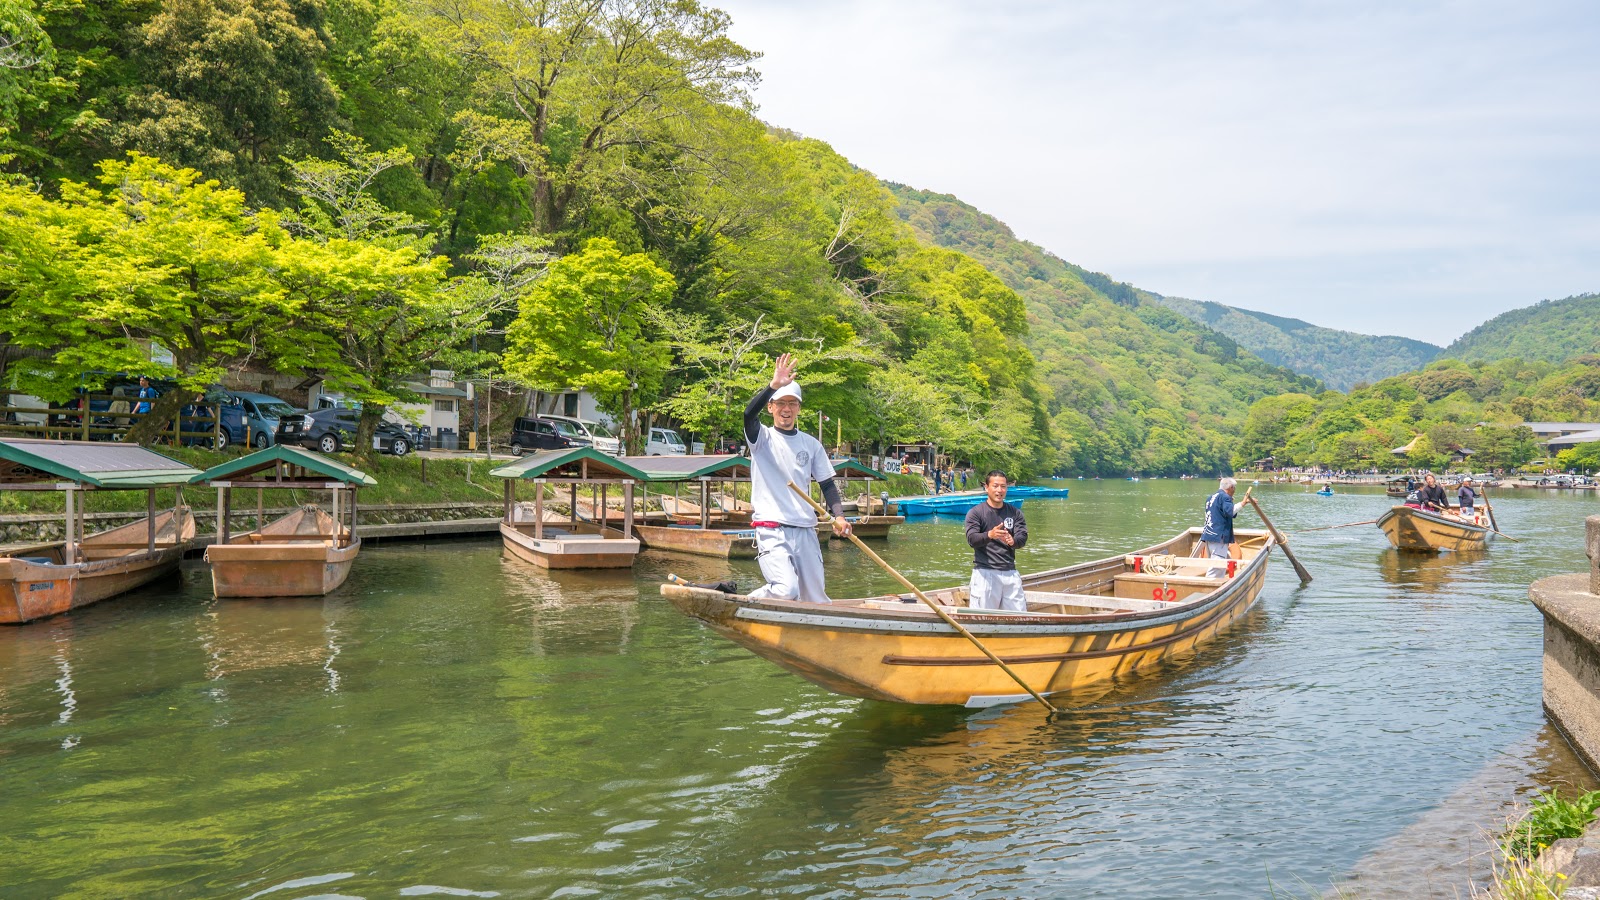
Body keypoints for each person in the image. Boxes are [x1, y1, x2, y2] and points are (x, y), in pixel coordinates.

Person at [742, 352, 850, 604]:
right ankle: (744, 601)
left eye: (792, 403)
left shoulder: (811, 445)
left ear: (799, 408)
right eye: (780, 403)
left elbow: (827, 484)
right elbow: (748, 414)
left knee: (816, 599)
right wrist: (773, 386)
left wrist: (840, 516)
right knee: (786, 590)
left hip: (805, 529)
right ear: (771, 407)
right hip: (772, 528)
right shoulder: (762, 439)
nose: (786, 409)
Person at [964, 471, 1028, 611]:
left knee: (1019, 618)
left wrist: (1013, 541)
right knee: (982, 618)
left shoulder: (1015, 513)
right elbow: (972, 539)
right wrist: (990, 535)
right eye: (995, 486)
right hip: (985, 573)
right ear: (987, 487)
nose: (1000, 490)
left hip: (1010, 572)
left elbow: (1022, 538)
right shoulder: (976, 513)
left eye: (1003, 486)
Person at [1200, 477, 1239, 578]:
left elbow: (1227, 512)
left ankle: (1215, 586)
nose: (1234, 490)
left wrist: (1231, 502)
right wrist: (1243, 503)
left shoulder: (1211, 497)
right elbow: (1230, 512)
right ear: (1231, 487)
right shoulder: (1225, 497)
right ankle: (1209, 588)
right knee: (1217, 566)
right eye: (1234, 488)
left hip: (1209, 534)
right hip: (1218, 536)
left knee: (1215, 563)